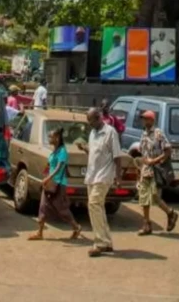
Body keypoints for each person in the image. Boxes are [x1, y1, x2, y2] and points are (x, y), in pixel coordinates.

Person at [79, 107, 122, 257]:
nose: (89, 124)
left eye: (91, 120)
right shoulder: (92, 133)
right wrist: (84, 148)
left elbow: (117, 156)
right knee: (97, 208)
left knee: (94, 204)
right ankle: (107, 241)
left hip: (104, 176)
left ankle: (100, 243)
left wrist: (118, 176)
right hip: (92, 175)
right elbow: (93, 152)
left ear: (98, 118)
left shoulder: (110, 132)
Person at [29, 127, 82, 241]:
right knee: (43, 206)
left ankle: (76, 227)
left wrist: (48, 178)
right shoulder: (55, 151)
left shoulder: (62, 151)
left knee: (61, 209)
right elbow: (51, 166)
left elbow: (59, 167)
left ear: (57, 138)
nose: (49, 138)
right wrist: (46, 176)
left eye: (51, 136)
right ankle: (39, 232)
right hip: (50, 183)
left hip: (58, 184)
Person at [137, 110, 178, 236]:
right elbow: (142, 152)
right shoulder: (143, 134)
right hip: (145, 170)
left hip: (155, 169)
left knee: (154, 196)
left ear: (152, 120)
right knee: (143, 198)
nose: (144, 121)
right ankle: (147, 225)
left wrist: (155, 161)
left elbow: (168, 150)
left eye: (146, 119)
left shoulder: (158, 133)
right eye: (143, 119)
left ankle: (170, 213)